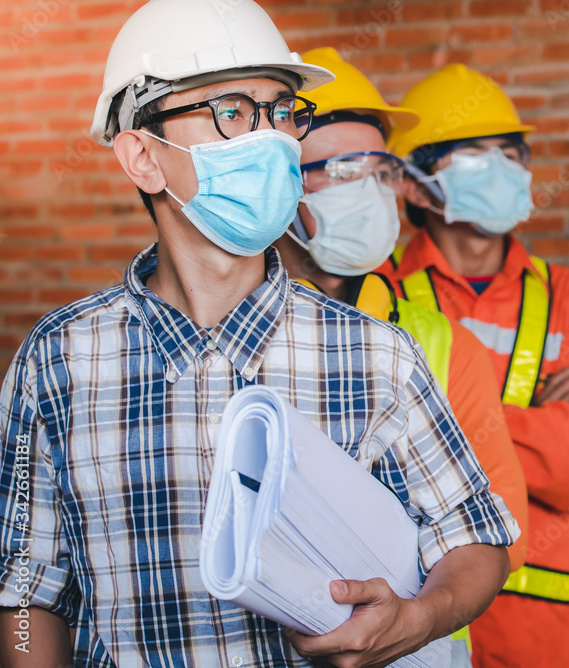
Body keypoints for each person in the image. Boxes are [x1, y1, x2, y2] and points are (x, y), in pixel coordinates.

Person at [0, 3, 516, 666]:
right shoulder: (58, 358)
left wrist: (419, 619)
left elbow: (475, 539)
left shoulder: (375, 354)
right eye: (233, 112)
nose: (272, 137)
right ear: (143, 157)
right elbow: (24, 593)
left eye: (281, 110)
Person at [270, 47, 531, 666]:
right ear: (278, 182)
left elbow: (498, 537)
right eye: (342, 168)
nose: (372, 190)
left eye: (382, 170)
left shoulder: (435, 340)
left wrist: (412, 609)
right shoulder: (221, 331)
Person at [380, 64, 569, 667]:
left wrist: (447, 422)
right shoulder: (377, 293)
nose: (502, 166)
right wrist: (529, 416)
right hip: (412, 625)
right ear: (416, 186)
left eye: (512, 152)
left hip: (536, 638)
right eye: (474, 153)